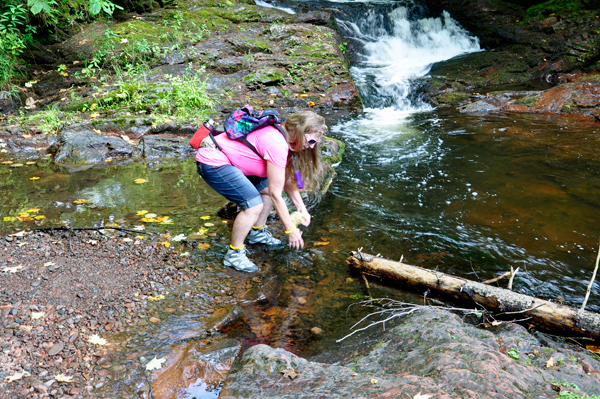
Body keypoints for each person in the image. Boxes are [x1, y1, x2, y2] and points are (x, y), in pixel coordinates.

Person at [195, 110, 326, 272]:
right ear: (298, 131)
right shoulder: (277, 143)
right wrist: (291, 230)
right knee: (253, 205)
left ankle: (257, 233)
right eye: (311, 141)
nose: (311, 146)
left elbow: (287, 180)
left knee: (266, 191)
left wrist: (301, 208)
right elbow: (276, 195)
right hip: (213, 161)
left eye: (315, 143)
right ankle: (234, 254)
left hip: (233, 161)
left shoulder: (287, 140)